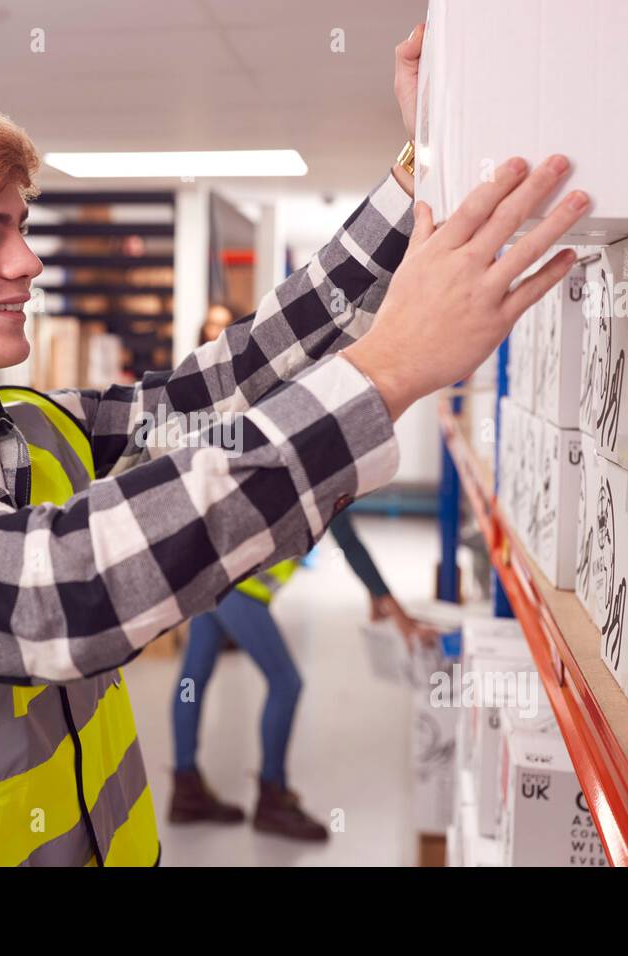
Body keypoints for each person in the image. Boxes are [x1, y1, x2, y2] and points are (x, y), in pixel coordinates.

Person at [0, 23, 589, 866]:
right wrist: (387, 372)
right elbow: (56, 597)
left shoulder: (35, 433)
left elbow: (231, 383)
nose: (27, 261)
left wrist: (419, 167)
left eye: (21, 226)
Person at [169, 312, 439, 841]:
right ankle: (272, 795)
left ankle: (185, 788)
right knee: (286, 683)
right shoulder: (305, 449)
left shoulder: (265, 430)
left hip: (211, 578)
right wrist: (396, 609)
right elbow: (350, 539)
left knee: (191, 681)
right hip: (235, 589)